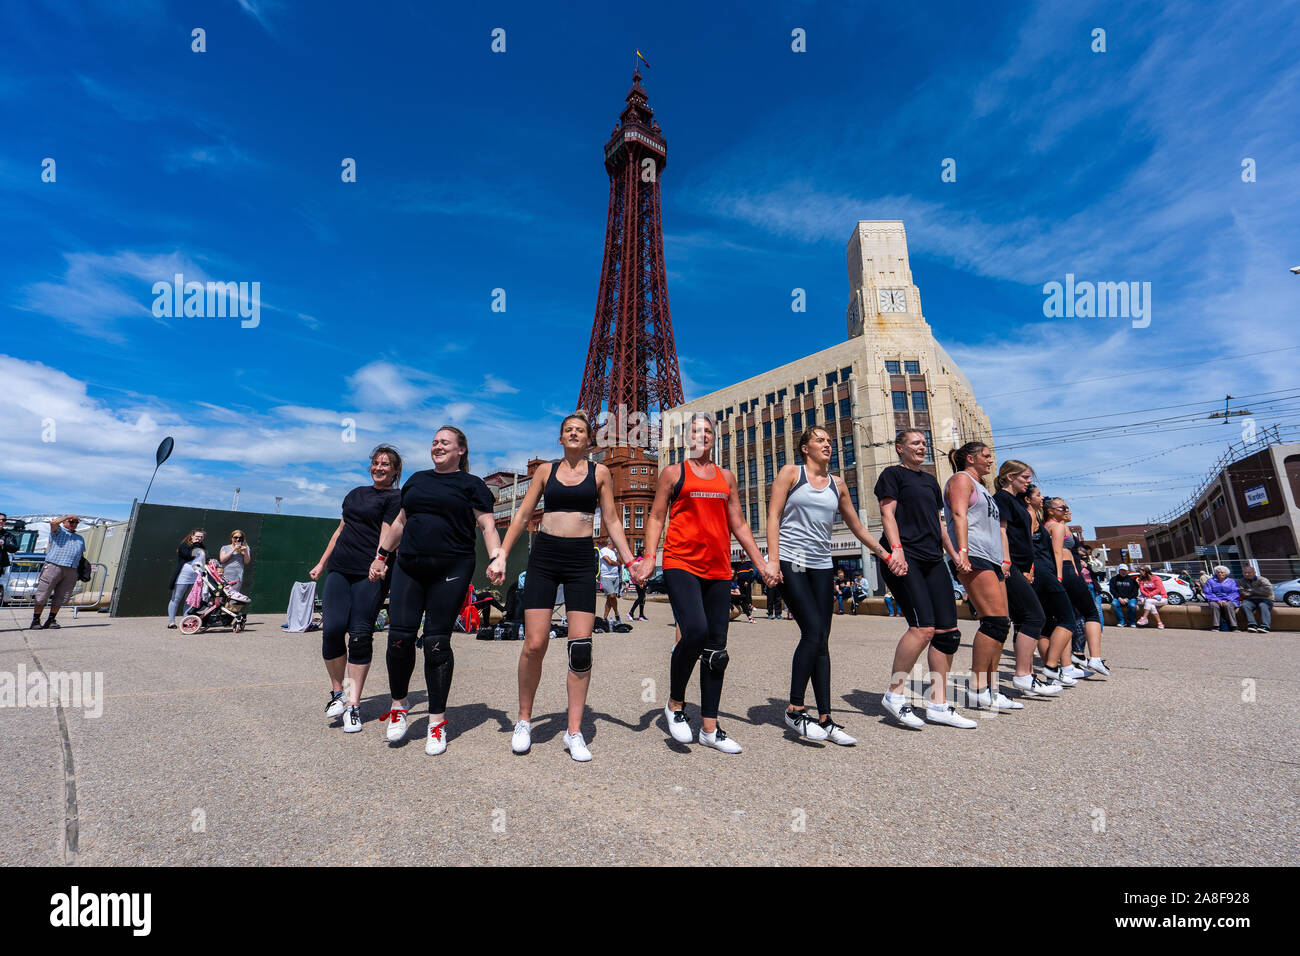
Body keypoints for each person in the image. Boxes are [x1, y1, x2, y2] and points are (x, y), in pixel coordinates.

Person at [490, 412, 636, 762]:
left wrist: (631, 561)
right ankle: (524, 719)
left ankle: (574, 731)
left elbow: (613, 520)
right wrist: (501, 556)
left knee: (580, 648)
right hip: (545, 556)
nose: (574, 433)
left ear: (589, 440)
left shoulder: (600, 474)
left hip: (580, 559)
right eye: (568, 429)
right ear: (561, 438)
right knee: (534, 644)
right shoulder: (546, 472)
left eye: (581, 431)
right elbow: (524, 515)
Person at [632, 412, 775, 754]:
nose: (703, 436)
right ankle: (675, 704)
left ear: (714, 438)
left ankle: (710, 727)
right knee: (694, 631)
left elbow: (738, 523)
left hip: (719, 569)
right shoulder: (673, 473)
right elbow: (655, 517)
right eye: (697, 431)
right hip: (681, 563)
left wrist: (761, 562)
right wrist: (650, 557)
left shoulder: (727, 477)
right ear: (688, 439)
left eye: (709, 431)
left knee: (717, 650)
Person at [369, 427, 502, 754]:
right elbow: (400, 522)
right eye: (434, 441)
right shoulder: (417, 479)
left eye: (445, 441)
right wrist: (381, 556)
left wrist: (497, 557)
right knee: (399, 638)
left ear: (461, 450)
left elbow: (487, 524)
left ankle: (436, 721)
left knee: (437, 643)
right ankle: (399, 706)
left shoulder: (473, 486)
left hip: (452, 567)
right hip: (409, 566)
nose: (437, 445)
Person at [768, 425, 896, 744]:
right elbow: (772, 517)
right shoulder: (790, 473)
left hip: (822, 566)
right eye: (820, 440)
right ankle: (795, 708)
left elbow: (856, 525)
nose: (828, 444)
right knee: (812, 631)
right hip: (792, 561)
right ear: (805, 448)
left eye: (829, 441)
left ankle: (825, 718)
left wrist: (885, 553)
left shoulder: (837, 484)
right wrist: (770, 560)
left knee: (822, 639)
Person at [875, 430, 977, 729]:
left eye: (923, 443)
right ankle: (894, 695)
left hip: (934, 559)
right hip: (907, 556)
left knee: (948, 633)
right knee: (922, 629)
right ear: (899, 448)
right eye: (915, 443)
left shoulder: (930, 480)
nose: (921, 447)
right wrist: (896, 551)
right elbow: (886, 514)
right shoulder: (892, 474)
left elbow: (939, 523)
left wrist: (955, 553)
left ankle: (938, 705)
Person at [309, 445, 402, 734]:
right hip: (340, 568)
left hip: (369, 572)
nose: (379, 467)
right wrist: (322, 564)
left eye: (386, 464)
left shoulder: (396, 497)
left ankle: (353, 705)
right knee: (333, 629)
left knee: (360, 634)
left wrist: (380, 560)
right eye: (376, 463)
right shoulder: (355, 494)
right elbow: (340, 531)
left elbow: (389, 531)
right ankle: (337, 693)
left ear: (396, 471)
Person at [944, 442, 1028, 711]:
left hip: (991, 558)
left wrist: (1003, 560)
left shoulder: (982, 488)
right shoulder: (961, 479)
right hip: (974, 555)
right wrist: (963, 552)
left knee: (1002, 623)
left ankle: (990, 688)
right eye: (986, 456)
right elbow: (958, 514)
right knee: (993, 621)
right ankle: (977, 687)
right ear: (970, 458)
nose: (991, 460)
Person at [1023, 486, 1080, 689]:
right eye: (1038, 495)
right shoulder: (1029, 516)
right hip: (1044, 573)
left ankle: (1052, 671)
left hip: (1043, 571)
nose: (1042, 498)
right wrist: (1032, 569)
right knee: (1067, 620)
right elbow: (1026, 544)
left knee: (1046, 626)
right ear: (1028, 500)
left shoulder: (1036, 518)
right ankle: (1051, 666)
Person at [32, 515, 86, 630]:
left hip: (71, 569)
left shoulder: (80, 538)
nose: (74, 524)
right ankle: (36, 620)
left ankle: (51, 620)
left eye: (76, 522)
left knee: (62, 596)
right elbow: (53, 523)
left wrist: (81, 569)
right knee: (43, 593)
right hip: (54, 566)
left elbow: (81, 554)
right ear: (64, 522)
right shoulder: (58, 532)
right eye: (71, 521)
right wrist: (68, 516)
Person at [166, 528, 206, 629]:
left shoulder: (202, 547)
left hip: (195, 578)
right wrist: (196, 544)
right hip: (183, 577)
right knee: (176, 598)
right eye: (197, 536)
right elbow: (189, 556)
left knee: (190, 600)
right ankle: (171, 622)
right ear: (192, 536)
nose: (199, 538)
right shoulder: (184, 545)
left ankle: (185, 620)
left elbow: (202, 561)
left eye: (201, 537)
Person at [1202, 566, 1242, 632]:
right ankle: (1216, 626)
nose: (1220, 574)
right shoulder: (1210, 581)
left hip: (1230, 600)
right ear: (1216, 573)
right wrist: (1217, 600)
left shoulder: (1231, 581)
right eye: (1218, 572)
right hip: (1214, 600)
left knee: (1228, 605)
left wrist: (1226, 600)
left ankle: (1234, 626)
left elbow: (1235, 592)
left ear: (1226, 573)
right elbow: (1208, 592)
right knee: (1214, 606)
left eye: (1222, 572)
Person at [1239, 565, 1274, 633]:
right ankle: (1252, 625)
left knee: (1263, 606)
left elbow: (1267, 591)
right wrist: (1258, 591)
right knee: (1245, 605)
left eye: (1249, 572)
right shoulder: (1241, 581)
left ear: (1254, 572)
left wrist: (1251, 591)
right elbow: (1243, 593)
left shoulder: (1262, 580)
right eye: (1245, 573)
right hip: (1250, 600)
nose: (1247, 574)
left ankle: (1265, 626)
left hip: (1265, 599)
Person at [219, 529, 254, 594]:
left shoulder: (246, 548)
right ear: (231, 538)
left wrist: (245, 551)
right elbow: (222, 560)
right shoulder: (225, 547)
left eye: (240, 538)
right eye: (235, 537)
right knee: (221, 596)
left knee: (233, 597)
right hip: (224, 576)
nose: (238, 539)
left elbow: (246, 562)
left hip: (237, 576)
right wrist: (234, 549)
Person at [598, 537, 621, 628]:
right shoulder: (603, 550)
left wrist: (619, 551)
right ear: (611, 542)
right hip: (606, 576)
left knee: (609, 599)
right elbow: (609, 562)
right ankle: (617, 614)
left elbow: (621, 561)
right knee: (612, 596)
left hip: (615, 576)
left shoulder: (615, 552)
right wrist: (617, 563)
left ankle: (604, 618)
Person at [628, 553, 649, 621]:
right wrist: (641, 582)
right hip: (640, 581)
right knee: (641, 598)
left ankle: (641, 615)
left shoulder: (640, 560)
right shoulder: (640, 560)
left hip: (641, 581)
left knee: (642, 598)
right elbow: (640, 572)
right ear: (642, 552)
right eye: (645, 551)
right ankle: (631, 612)